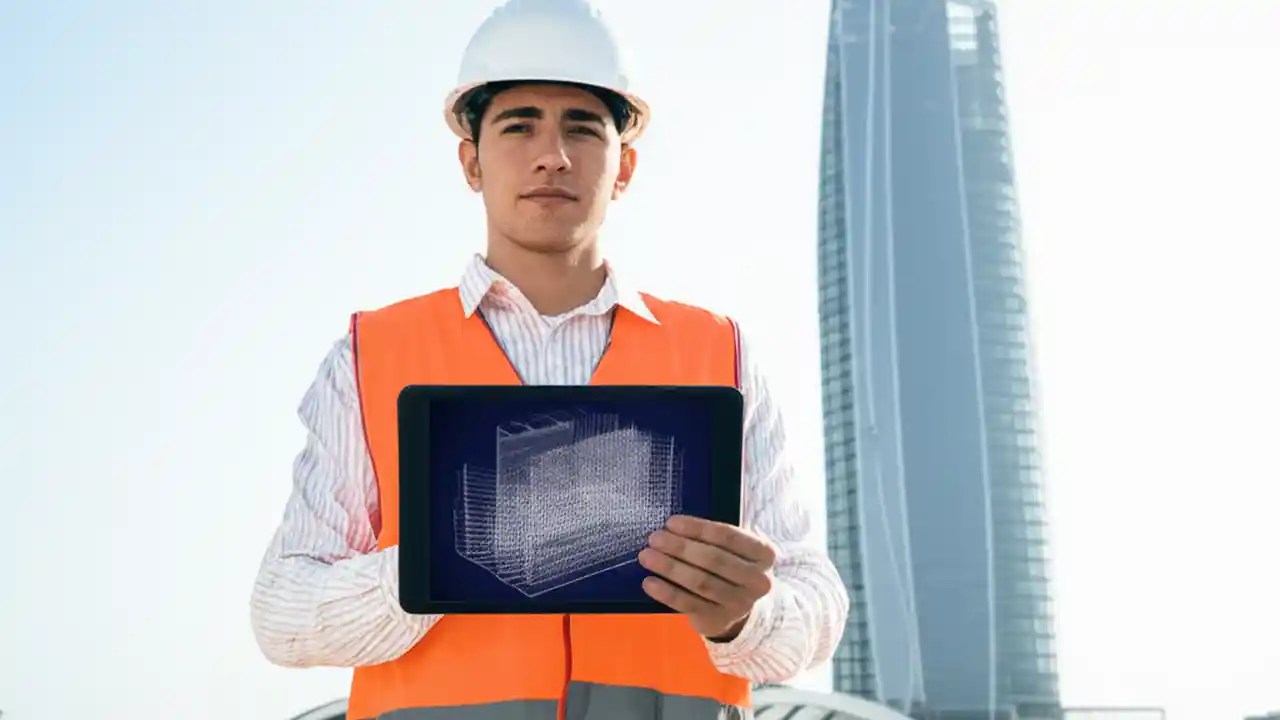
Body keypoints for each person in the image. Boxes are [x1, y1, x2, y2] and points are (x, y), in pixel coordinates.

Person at [249, 1, 849, 718]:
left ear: (623, 166)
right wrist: (444, 562)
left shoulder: (720, 351)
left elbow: (813, 609)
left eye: (582, 128)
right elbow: (283, 615)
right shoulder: (370, 353)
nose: (552, 156)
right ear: (470, 159)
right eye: (519, 124)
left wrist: (743, 615)